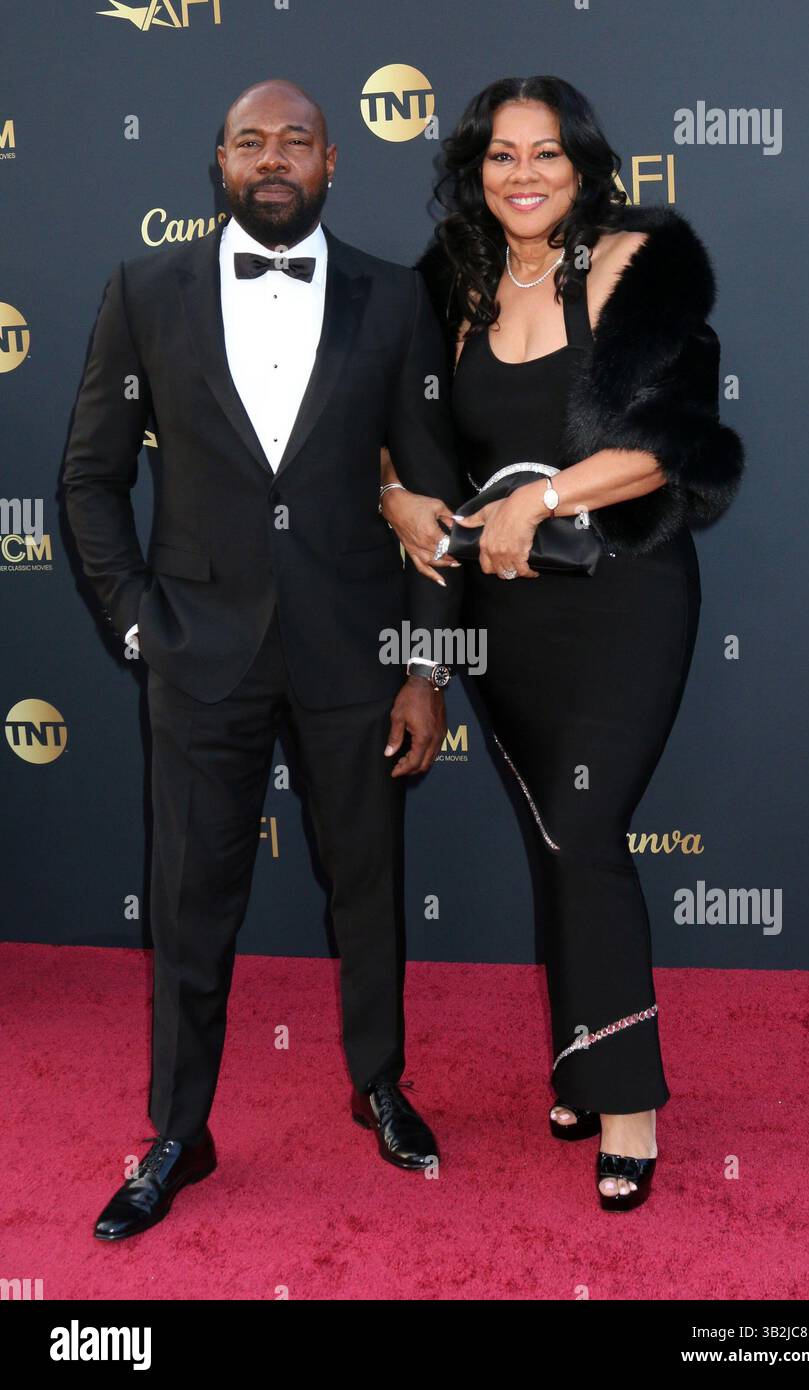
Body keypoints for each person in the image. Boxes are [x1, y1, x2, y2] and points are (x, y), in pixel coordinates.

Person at [63, 78, 463, 1241]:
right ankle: (179, 1131)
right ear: (219, 165)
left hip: (354, 651)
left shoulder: (394, 299)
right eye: (251, 141)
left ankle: (379, 1083)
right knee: (190, 900)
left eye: (296, 140)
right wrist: (139, 620)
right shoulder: (145, 292)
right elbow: (89, 478)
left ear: (333, 163)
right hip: (199, 652)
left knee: (369, 886)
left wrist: (426, 666)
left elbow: (430, 501)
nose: (273, 158)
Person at [380, 75, 744, 1210]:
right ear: (472, 167)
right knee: (554, 838)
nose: (522, 174)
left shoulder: (636, 264)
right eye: (500, 154)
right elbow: (406, 435)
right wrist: (394, 493)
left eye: (545, 154)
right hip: (501, 617)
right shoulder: (450, 283)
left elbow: (671, 442)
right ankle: (583, 1061)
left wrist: (539, 502)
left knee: (584, 826)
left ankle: (625, 1098)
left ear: (582, 164)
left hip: (623, 593)